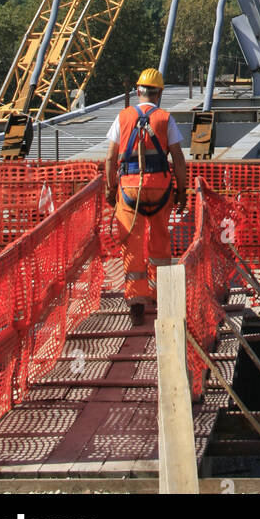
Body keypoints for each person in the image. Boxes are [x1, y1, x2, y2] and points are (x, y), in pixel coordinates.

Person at [104, 68, 188, 326]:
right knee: (160, 242)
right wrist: (182, 191)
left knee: (132, 245)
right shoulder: (165, 118)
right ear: (160, 93)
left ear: (138, 91)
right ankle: (160, 296)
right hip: (161, 189)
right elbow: (178, 159)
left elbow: (110, 158)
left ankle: (137, 303)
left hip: (129, 190)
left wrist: (110, 188)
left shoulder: (123, 117)